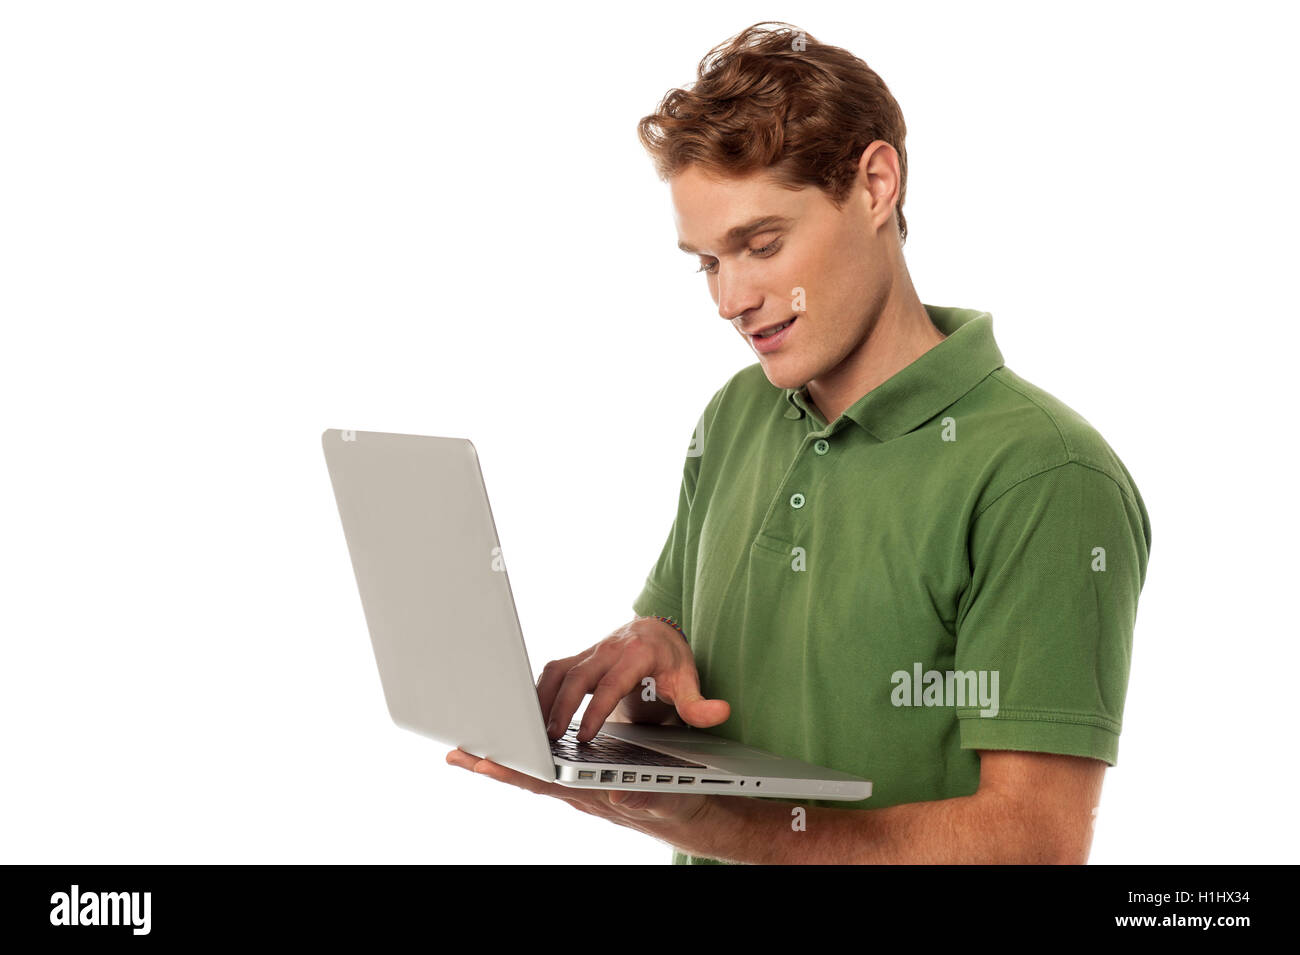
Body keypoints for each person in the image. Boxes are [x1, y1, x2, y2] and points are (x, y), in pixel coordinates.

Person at [447, 20, 1152, 864]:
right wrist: (649, 661)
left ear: (876, 185)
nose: (730, 299)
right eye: (707, 261)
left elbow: (1031, 844)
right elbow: (690, 682)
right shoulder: (736, 414)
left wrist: (718, 827)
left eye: (762, 244)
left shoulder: (1043, 474)